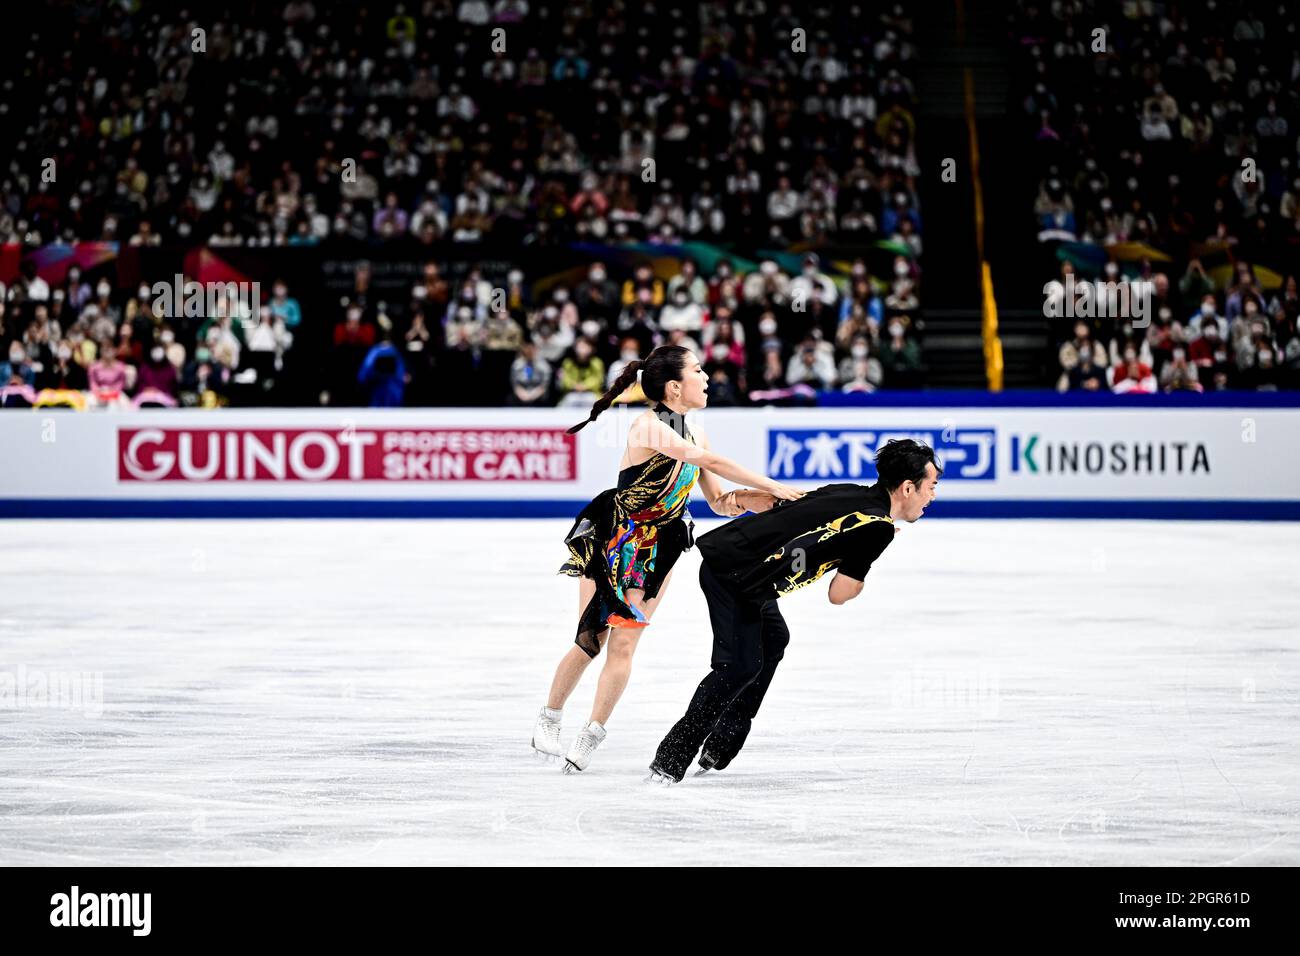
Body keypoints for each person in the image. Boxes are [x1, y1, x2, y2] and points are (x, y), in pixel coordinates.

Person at [532, 345, 804, 773]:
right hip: (614, 539)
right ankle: (550, 716)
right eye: (699, 371)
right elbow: (705, 460)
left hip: (658, 549)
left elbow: (718, 501)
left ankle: (591, 733)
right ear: (675, 386)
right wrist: (774, 482)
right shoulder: (649, 427)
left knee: (624, 643)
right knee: (592, 638)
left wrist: (759, 500)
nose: (708, 377)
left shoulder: (698, 432)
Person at [648, 438, 942, 783]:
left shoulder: (847, 491)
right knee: (740, 666)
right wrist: (862, 566)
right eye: (931, 486)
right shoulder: (876, 529)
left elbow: (785, 505)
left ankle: (724, 740)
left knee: (773, 638)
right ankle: (671, 758)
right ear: (908, 488)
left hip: (743, 567)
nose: (932, 496)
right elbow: (839, 594)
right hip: (735, 575)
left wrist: (742, 500)